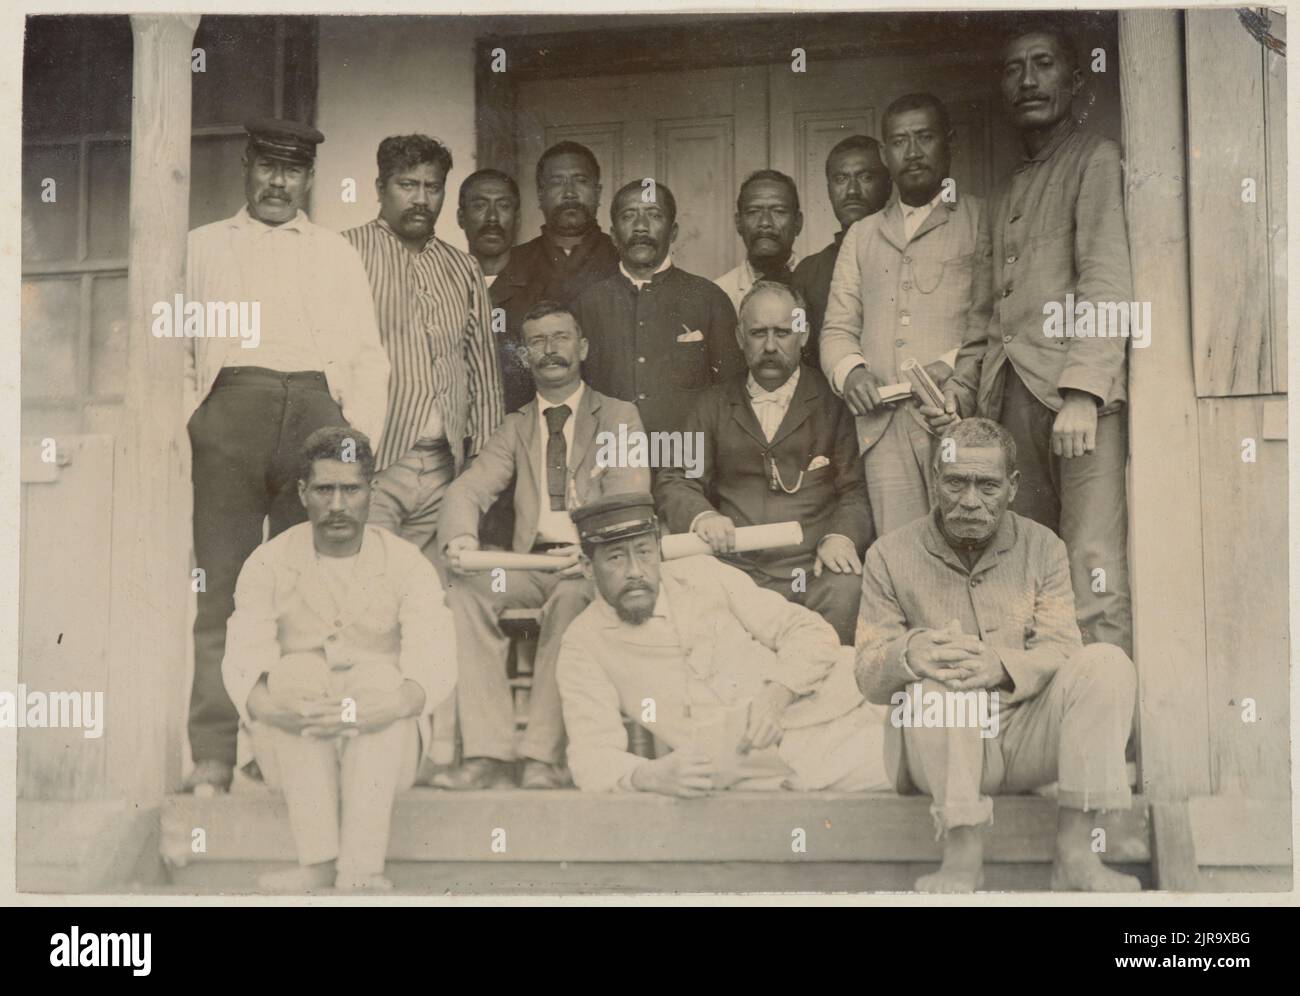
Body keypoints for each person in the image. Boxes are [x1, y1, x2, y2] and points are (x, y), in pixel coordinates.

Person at [184, 118, 390, 794]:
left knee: (304, 591)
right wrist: (190, 422)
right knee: (223, 589)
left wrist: (356, 438)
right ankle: (215, 754)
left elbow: (365, 355)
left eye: (292, 171)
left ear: (308, 179)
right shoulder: (202, 247)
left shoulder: (334, 252)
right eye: (266, 167)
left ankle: (285, 752)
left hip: (312, 416)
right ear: (246, 167)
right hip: (231, 408)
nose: (277, 182)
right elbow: (171, 350)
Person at [855, 418, 1138, 893]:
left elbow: (1062, 647)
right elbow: (866, 671)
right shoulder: (888, 555)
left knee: (1106, 662)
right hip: (938, 747)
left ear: (1012, 488)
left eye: (986, 485)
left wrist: (1001, 666)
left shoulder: (1043, 547)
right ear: (933, 482)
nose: (969, 500)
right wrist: (910, 652)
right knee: (937, 679)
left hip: (1026, 738)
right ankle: (962, 854)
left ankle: (1077, 850)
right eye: (955, 483)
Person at [941, 25, 1133, 655]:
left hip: (1075, 405)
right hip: (1007, 403)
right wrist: (963, 397)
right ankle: (1037, 720)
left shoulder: (1095, 160)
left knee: (1092, 563)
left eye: (1044, 65)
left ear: (1074, 82)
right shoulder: (1004, 193)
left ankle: (1106, 736)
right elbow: (981, 317)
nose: (1027, 80)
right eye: (1013, 68)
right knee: (1023, 564)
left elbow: (1107, 282)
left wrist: (1083, 393)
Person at [222, 427, 456, 893]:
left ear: (371, 490)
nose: (337, 505)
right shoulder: (268, 561)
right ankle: (320, 859)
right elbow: (244, 665)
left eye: (351, 489)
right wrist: (289, 708)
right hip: (295, 739)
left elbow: (433, 664)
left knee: (377, 678)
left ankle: (361, 868)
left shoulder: (407, 562)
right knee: (295, 673)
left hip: (385, 740)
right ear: (304, 493)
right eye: (325, 489)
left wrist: (373, 708)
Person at [435, 301, 650, 789]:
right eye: (536, 341)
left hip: (593, 566)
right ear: (524, 357)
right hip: (530, 566)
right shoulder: (516, 426)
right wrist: (461, 535)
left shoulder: (620, 416)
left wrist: (593, 549)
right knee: (467, 592)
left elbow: (631, 497)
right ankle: (488, 752)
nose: (550, 350)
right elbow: (468, 488)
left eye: (561, 337)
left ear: (583, 347)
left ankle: (541, 757)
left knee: (572, 599)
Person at [557, 493, 890, 796]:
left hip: (848, 706)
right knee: (919, 763)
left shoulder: (700, 574)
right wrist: (648, 775)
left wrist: (777, 695)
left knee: (927, 725)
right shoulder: (583, 643)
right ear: (587, 567)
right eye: (615, 558)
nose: (635, 572)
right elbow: (590, 754)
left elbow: (809, 631)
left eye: (644, 553)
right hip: (778, 771)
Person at [655, 281, 871, 645]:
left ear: (803, 334)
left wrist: (840, 537)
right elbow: (676, 478)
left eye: (783, 333)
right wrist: (703, 516)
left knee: (848, 588)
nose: (770, 346)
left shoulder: (833, 406)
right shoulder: (711, 404)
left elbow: (856, 489)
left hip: (811, 570)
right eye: (758, 333)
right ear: (740, 338)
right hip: (734, 570)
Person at [820, 93, 984, 537]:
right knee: (903, 556)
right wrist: (852, 373)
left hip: (956, 419)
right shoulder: (862, 234)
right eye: (898, 142)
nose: (912, 153)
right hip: (883, 431)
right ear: (885, 153)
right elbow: (837, 327)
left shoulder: (979, 219)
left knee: (969, 544)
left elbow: (994, 322)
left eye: (924, 137)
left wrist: (947, 367)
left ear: (947, 143)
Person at [342, 135, 505, 575]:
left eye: (432, 187)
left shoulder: (463, 267)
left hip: (445, 471)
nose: (420, 199)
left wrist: (478, 469)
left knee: (437, 598)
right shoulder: (345, 252)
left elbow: (483, 374)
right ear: (380, 188)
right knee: (366, 589)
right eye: (407, 185)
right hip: (374, 463)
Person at [577, 179, 743, 434]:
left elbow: (732, 395)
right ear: (613, 234)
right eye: (629, 216)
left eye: (654, 215)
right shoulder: (588, 304)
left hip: (686, 464)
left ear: (673, 231)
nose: (641, 227)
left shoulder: (708, 298)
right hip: (611, 462)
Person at [791, 135, 892, 358]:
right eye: (840, 179)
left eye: (866, 177)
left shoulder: (910, 253)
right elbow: (800, 353)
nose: (852, 190)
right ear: (829, 190)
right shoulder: (807, 273)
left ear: (888, 184)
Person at [457, 168, 534, 415]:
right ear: (461, 217)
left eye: (503, 206)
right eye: (479, 206)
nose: (492, 218)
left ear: (517, 218)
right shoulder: (440, 287)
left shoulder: (543, 289)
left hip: (522, 437)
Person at [507, 140, 620, 308]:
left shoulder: (623, 258)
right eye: (556, 182)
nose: (569, 193)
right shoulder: (512, 262)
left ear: (598, 193)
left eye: (581, 180)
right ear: (540, 195)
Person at [714, 170, 803, 313]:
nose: (765, 222)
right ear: (738, 223)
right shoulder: (719, 294)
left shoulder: (821, 285)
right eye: (753, 212)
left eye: (779, 211)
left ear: (798, 222)